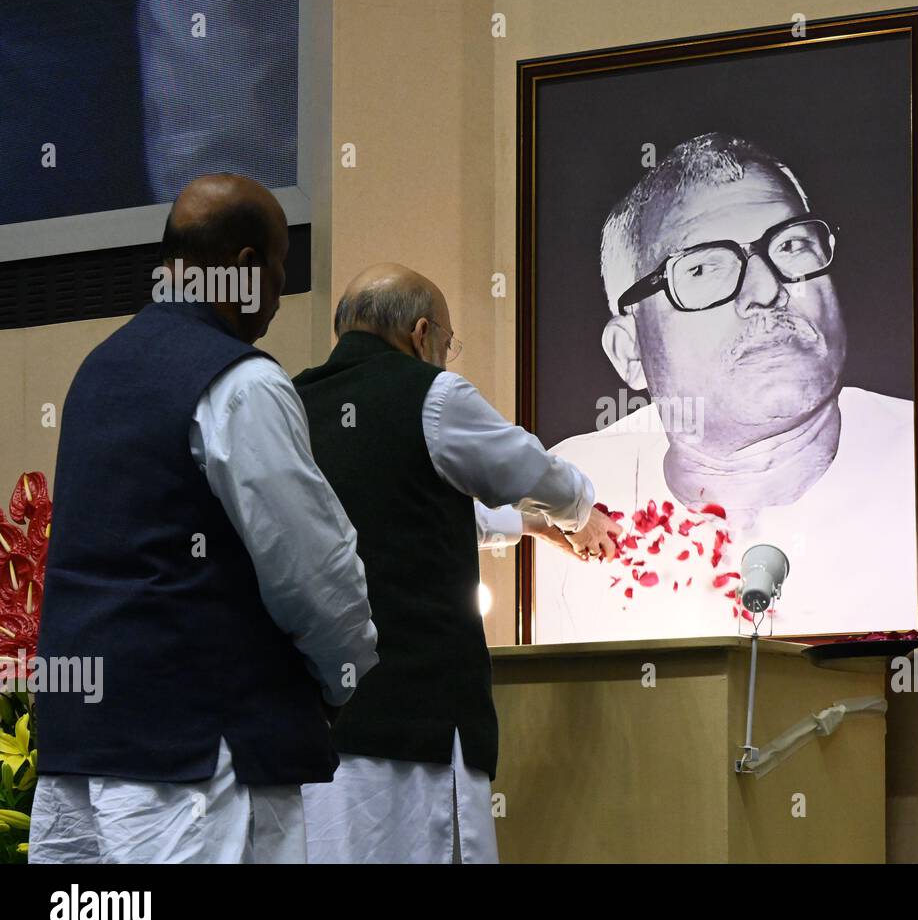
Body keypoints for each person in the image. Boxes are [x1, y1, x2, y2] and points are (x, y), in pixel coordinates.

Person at [30, 173, 379, 864]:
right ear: (248, 268)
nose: (278, 296)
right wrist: (341, 676)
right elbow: (312, 570)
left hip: (80, 753)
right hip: (199, 761)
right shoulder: (239, 382)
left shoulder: (95, 372)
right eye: (280, 271)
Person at [294, 263, 619, 863]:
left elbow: (400, 504)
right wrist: (580, 511)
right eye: (448, 342)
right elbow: (529, 469)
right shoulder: (431, 394)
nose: (446, 355)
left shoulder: (292, 403)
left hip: (314, 726)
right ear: (423, 334)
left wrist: (530, 527)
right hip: (414, 718)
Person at [536, 132, 918, 642]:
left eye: (792, 246)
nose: (767, 291)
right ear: (630, 352)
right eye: (702, 269)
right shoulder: (572, 488)